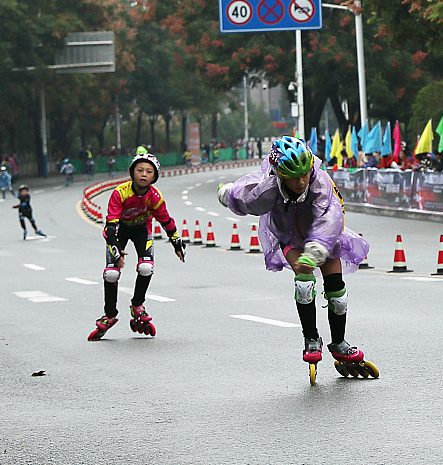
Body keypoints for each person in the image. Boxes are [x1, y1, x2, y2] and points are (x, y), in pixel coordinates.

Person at [217, 137, 376, 380]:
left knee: (338, 293)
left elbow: (329, 218)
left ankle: (339, 343)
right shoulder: (269, 190)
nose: (301, 182)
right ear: (280, 176)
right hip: (290, 236)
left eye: (304, 174)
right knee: (304, 283)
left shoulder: (321, 183)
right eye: (293, 177)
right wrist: (225, 193)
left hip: (325, 238)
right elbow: (245, 198)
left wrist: (315, 252)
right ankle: (311, 339)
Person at [88, 153, 188, 341]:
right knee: (111, 273)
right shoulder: (120, 193)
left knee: (146, 267)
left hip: (142, 229)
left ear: (154, 176)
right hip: (120, 231)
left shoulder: (155, 197)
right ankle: (110, 314)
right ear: (132, 172)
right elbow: (111, 226)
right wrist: (116, 249)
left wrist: (176, 242)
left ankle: (137, 306)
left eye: (149, 172)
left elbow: (166, 220)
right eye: (140, 170)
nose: (144, 174)